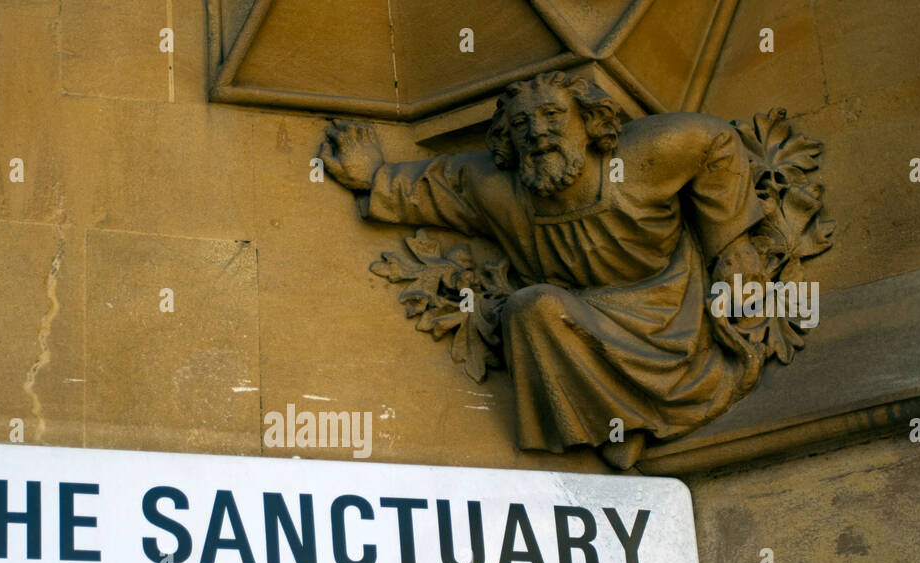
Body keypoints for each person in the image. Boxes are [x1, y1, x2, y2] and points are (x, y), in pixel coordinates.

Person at [319, 71, 769, 469]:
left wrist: (731, 242)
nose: (537, 132)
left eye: (553, 115)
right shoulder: (496, 189)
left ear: (588, 122)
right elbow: (435, 185)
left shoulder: (639, 159)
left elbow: (715, 140)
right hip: (585, 315)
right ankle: (613, 421)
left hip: (671, 304)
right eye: (521, 124)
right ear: (508, 141)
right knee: (531, 307)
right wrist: (374, 175)